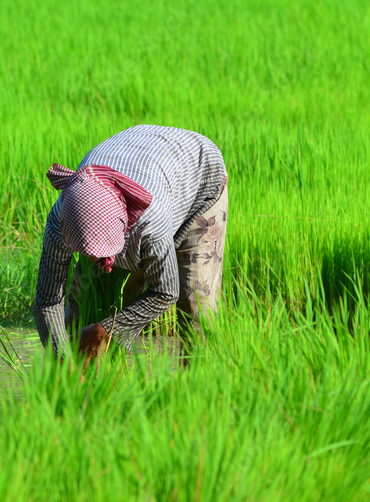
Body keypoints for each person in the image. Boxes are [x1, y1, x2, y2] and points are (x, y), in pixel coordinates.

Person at [33, 124, 228, 362]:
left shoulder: (149, 223)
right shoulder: (60, 220)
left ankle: (198, 381)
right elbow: (47, 301)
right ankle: (94, 374)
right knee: (85, 299)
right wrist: (63, 362)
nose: (92, 258)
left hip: (199, 176)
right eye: (84, 250)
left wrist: (105, 330)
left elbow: (165, 292)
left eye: (100, 249)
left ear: (123, 228)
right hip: (139, 160)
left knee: (196, 306)